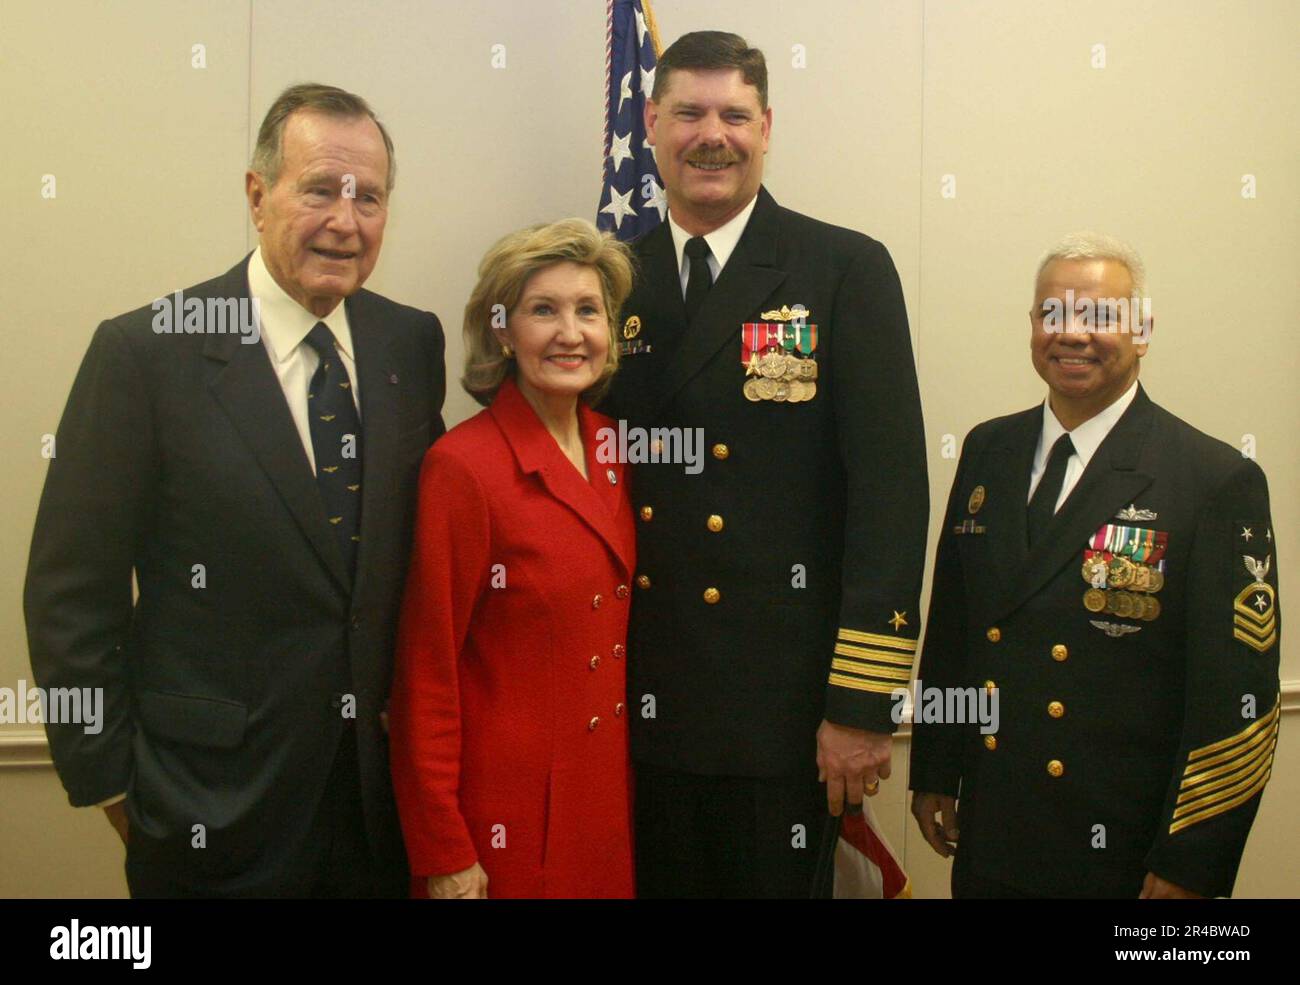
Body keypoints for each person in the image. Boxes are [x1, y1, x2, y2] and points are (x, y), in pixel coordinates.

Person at [23, 83, 446, 897]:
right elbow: (69, 595)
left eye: (370, 197)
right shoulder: (146, 355)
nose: (345, 221)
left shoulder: (409, 341)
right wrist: (112, 784)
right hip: (203, 814)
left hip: (375, 815)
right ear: (258, 196)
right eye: (320, 189)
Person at [603, 31, 929, 897]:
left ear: (767, 126)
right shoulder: (605, 279)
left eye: (735, 114)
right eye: (689, 113)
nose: (713, 134)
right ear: (652, 122)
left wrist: (859, 706)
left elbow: (890, 499)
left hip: (780, 713)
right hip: (635, 702)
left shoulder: (842, 268)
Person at [910, 233, 1281, 898]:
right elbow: (956, 632)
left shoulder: (1212, 477)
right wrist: (935, 768)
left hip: (1125, 849)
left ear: (1143, 330)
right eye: (1052, 314)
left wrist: (1191, 860)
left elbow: (1238, 703)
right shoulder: (988, 450)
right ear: (1032, 327)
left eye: (1100, 316)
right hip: (995, 831)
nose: (1072, 334)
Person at [388, 219, 637, 899]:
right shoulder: (463, 468)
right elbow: (426, 672)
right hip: (506, 819)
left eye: (589, 310)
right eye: (543, 310)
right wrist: (445, 848)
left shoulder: (616, 448)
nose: (571, 332)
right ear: (502, 329)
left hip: (607, 801)